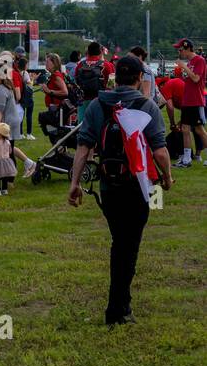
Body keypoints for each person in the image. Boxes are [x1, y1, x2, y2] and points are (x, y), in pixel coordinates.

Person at [69, 55, 173, 326]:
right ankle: (118, 308)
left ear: (115, 77)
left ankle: (120, 305)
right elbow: (160, 150)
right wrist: (167, 177)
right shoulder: (147, 106)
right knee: (128, 245)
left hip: (108, 184)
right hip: (137, 185)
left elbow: (83, 147)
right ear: (140, 78)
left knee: (121, 242)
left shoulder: (97, 105)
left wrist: (74, 184)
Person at [75, 41, 115, 117]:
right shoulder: (107, 65)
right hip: (101, 101)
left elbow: (77, 81)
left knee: (82, 125)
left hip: (83, 100)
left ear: (88, 52)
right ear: (100, 52)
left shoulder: (80, 65)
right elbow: (111, 86)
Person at [157, 74, 188, 166]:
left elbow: (170, 107)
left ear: (161, 85)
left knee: (187, 130)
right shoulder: (173, 83)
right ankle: (194, 155)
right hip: (193, 104)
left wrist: (172, 123)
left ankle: (184, 156)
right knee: (194, 130)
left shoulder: (166, 87)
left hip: (192, 105)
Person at [15, 56, 36, 140]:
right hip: (28, 97)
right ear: (25, 65)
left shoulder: (17, 73)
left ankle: (20, 133)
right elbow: (29, 84)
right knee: (29, 115)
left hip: (21, 96)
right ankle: (29, 134)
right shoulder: (25, 73)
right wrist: (33, 79)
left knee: (21, 115)